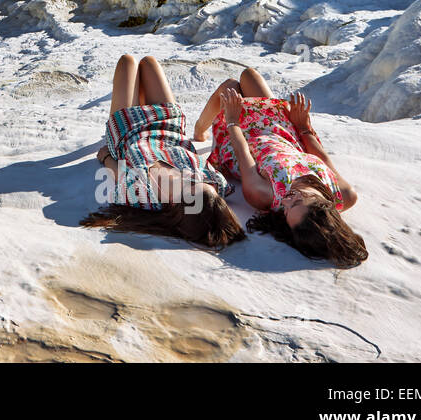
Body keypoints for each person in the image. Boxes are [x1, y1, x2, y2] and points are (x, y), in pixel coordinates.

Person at [193, 68, 367, 268]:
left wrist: (232, 120)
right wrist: (303, 126)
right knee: (249, 75)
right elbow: (322, 159)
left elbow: (244, 155)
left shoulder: (264, 194)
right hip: (283, 134)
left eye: (285, 211)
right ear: (320, 203)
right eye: (295, 202)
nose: (286, 201)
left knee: (230, 87)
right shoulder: (344, 195)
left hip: (246, 138)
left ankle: (199, 129)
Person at [82, 54, 245, 249]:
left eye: (189, 184)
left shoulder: (145, 196)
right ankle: (139, 94)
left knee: (127, 62)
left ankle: (136, 95)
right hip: (169, 124)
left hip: (129, 128)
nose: (194, 177)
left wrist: (106, 156)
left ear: (175, 205)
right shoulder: (215, 182)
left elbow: (118, 172)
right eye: (201, 181)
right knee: (149, 62)